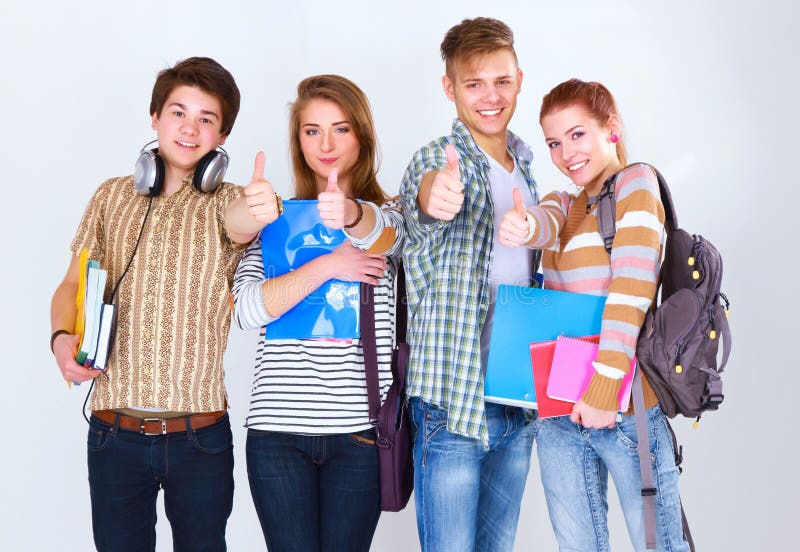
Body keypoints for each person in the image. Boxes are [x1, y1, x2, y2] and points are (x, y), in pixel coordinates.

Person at [49, 57, 280, 551]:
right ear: (155, 117)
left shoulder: (229, 202)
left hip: (200, 439)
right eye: (179, 113)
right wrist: (60, 339)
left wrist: (258, 207)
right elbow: (71, 284)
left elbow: (243, 220)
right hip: (114, 435)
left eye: (207, 119)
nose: (190, 129)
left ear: (221, 137)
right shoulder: (110, 197)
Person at [498, 78, 690, 551]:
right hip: (558, 409)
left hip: (623, 405)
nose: (566, 153)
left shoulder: (635, 183)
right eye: (554, 143)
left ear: (612, 128)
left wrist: (604, 387)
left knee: (659, 545)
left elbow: (632, 288)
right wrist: (525, 227)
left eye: (577, 134)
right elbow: (544, 222)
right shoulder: (564, 201)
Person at [231, 74, 405, 552]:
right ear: (299, 141)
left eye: (341, 129)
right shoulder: (273, 220)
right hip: (276, 432)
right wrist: (329, 264)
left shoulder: (391, 215)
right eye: (312, 131)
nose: (325, 144)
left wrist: (348, 214)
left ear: (362, 136)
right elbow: (246, 309)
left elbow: (383, 237)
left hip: (360, 434)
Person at [399, 17, 539, 552]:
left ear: (520, 80)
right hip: (452, 405)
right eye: (474, 84)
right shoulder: (438, 160)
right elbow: (426, 200)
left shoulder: (527, 165)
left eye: (501, 81)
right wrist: (436, 199)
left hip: (516, 400)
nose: (490, 97)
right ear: (449, 88)